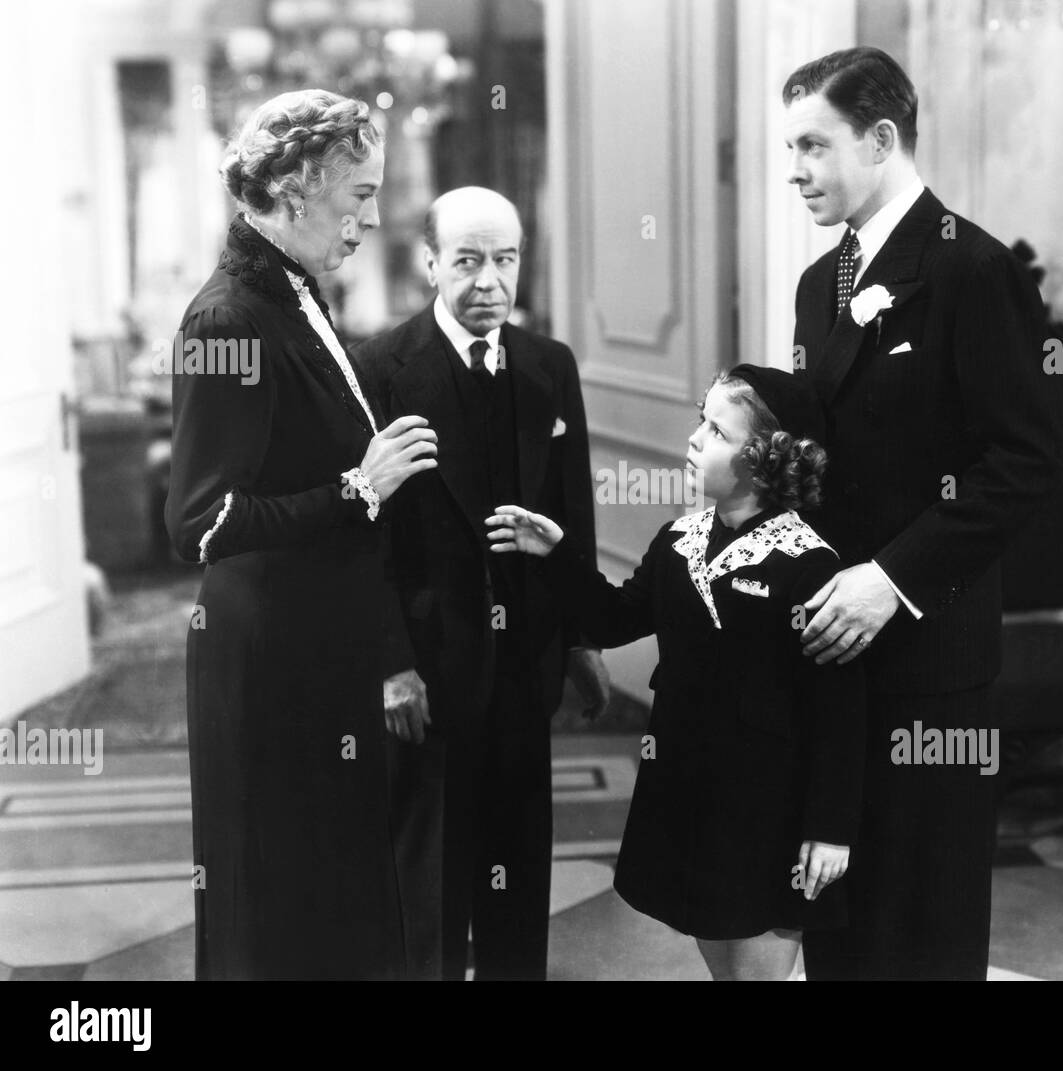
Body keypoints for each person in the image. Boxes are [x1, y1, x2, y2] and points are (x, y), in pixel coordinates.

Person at [783, 47, 1063, 980]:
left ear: (883, 138)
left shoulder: (975, 271)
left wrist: (893, 581)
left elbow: (1024, 465)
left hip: (928, 662)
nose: (797, 171)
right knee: (838, 923)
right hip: (828, 654)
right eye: (793, 149)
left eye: (814, 147)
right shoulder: (817, 283)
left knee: (921, 932)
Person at [165, 89, 438, 980]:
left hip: (318, 649)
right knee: (278, 901)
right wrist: (363, 486)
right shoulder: (227, 319)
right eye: (358, 194)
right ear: (292, 187)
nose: (371, 216)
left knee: (328, 891)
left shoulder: (292, 292)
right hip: (268, 664)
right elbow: (200, 522)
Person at [487, 365, 866, 982]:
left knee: (757, 972)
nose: (694, 439)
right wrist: (557, 556)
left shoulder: (810, 568)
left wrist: (829, 832)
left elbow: (840, 713)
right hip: (690, 789)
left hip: (770, 807)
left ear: (765, 458)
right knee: (717, 953)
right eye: (701, 420)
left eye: (716, 430)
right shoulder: (678, 541)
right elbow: (612, 620)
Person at [354, 186, 608, 981]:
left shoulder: (548, 365)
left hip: (525, 663)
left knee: (519, 868)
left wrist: (580, 637)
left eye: (505, 259)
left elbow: (574, 511)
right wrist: (391, 662)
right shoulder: (380, 368)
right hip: (429, 669)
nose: (489, 281)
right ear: (430, 263)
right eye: (467, 261)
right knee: (432, 878)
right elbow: (365, 542)